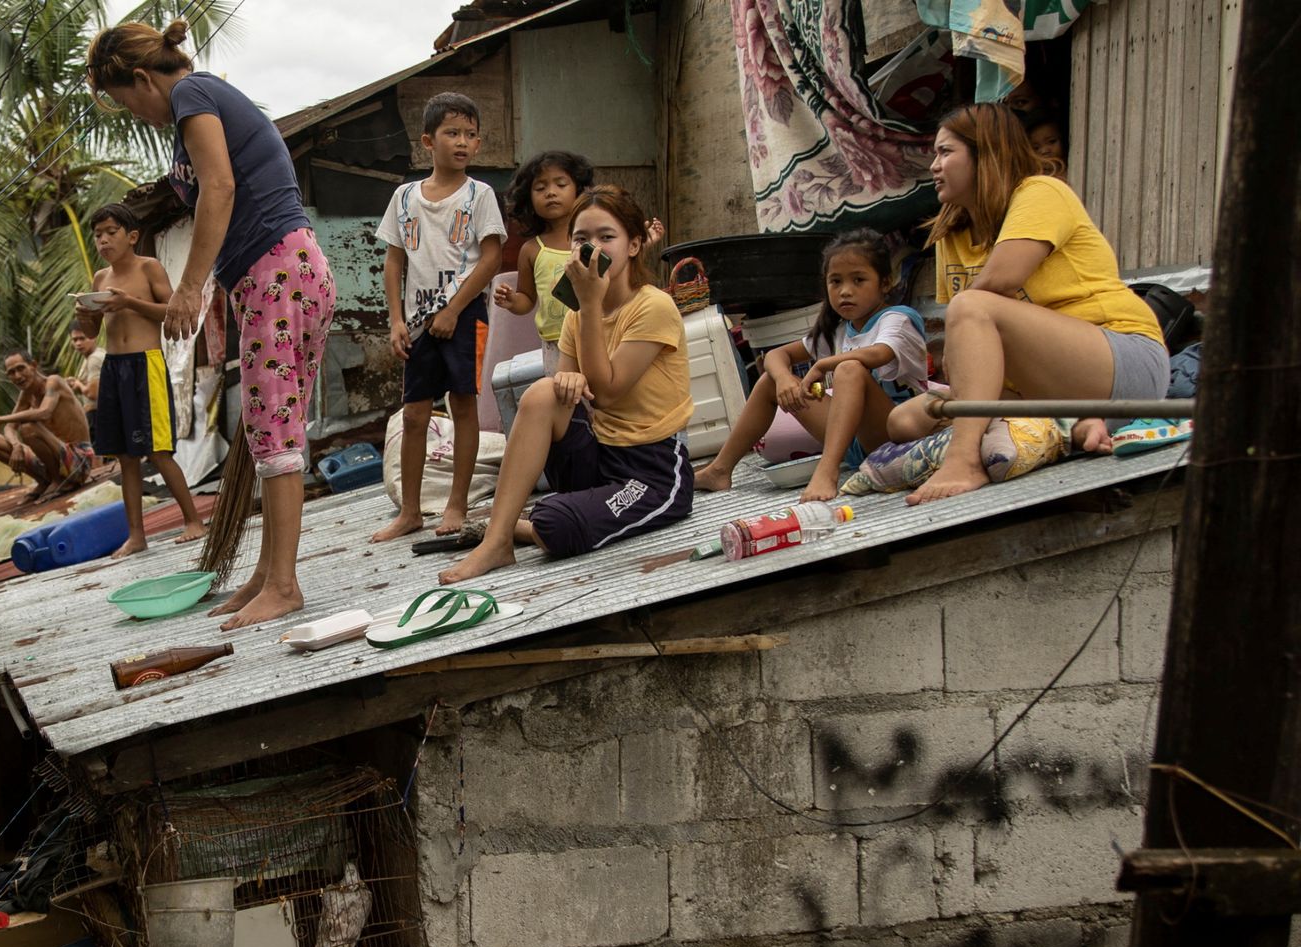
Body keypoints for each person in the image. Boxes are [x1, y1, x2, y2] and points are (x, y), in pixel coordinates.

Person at [87, 19, 336, 630]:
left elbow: (219, 188)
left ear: (143, 78)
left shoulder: (191, 96)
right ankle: (266, 575)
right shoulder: (197, 105)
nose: (134, 114)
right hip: (280, 272)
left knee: (274, 433)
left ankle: (284, 584)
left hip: (279, 270)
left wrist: (192, 287)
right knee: (267, 427)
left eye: (125, 101)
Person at [903, 102, 1168, 504]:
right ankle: (1077, 426)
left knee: (971, 307)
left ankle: (964, 459)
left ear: (986, 152)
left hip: (1121, 359)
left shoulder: (1040, 191)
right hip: (1044, 384)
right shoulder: (952, 233)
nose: (934, 167)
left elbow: (998, 285)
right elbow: (960, 357)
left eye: (945, 152)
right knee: (903, 420)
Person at [438, 185, 695, 585]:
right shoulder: (577, 315)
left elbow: (607, 393)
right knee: (543, 392)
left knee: (555, 524)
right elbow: (573, 387)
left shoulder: (652, 306)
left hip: (650, 472)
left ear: (634, 245)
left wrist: (590, 304)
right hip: (598, 456)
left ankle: (522, 524)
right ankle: (497, 540)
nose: (593, 248)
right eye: (581, 239)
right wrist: (567, 374)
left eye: (607, 237)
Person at [694, 230, 929, 503]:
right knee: (770, 381)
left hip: (896, 436)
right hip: (853, 444)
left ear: (885, 283)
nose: (845, 291)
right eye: (836, 282)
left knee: (849, 369)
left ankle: (827, 471)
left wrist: (824, 364)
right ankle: (720, 470)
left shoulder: (898, 318)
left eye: (859, 280)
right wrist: (784, 379)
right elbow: (776, 355)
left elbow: (879, 354)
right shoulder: (838, 330)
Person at [369, 92, 505, 545]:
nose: (462, 142)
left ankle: (457, 504)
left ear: (479, 143)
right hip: (418, 321)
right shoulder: (404, 198)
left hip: (465, 318)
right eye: (452, 133)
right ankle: (409, 511)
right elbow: (393, 262)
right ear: (429, 141)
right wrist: (395, 320)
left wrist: (453, 310)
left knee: (463, 406)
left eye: (470, 134)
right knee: (413, 415)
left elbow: (490, 258)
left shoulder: (479, 195)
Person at [76, 202, 209, 556]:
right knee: (125, 456)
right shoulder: (100, 279)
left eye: (111, 232)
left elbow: (171, 310)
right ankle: (137, 535)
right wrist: (86, 314)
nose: (103, 240)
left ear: (132, 236)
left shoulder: (149, 268)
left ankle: (193, 520)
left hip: (145, 365)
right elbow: (92, 329)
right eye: (98, 235)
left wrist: (130, 303)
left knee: (159, 450)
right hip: (113, 368)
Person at [494, 151, 595, 373]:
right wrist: (512, 300)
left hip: (598, 334)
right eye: (540, 188)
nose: (551, 193)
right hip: (554, 344)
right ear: (528, 199)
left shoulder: (593, 241)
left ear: (578, 190)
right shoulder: (531, 250)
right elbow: (527, 300)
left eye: (561, 184)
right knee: (564, 400)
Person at [0, 350, 94, 500]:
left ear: (33, 366)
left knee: (28, 428)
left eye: (21, 368)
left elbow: (44, 412)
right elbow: (10, 427)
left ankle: (58, 480)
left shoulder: (53, 382)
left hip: (78, 463)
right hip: (55, 462)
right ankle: (44, 480)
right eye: (11, 372)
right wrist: (16, 445)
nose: (17, 376)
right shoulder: (27, 395)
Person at [71, 322, 106, 411]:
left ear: (93, 337)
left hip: (98, 414)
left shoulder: (94, 358)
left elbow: (93, 393)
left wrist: (78, 385)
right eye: (75, 340)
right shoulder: (91, 357)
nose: (78, 343)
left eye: (82, 338)